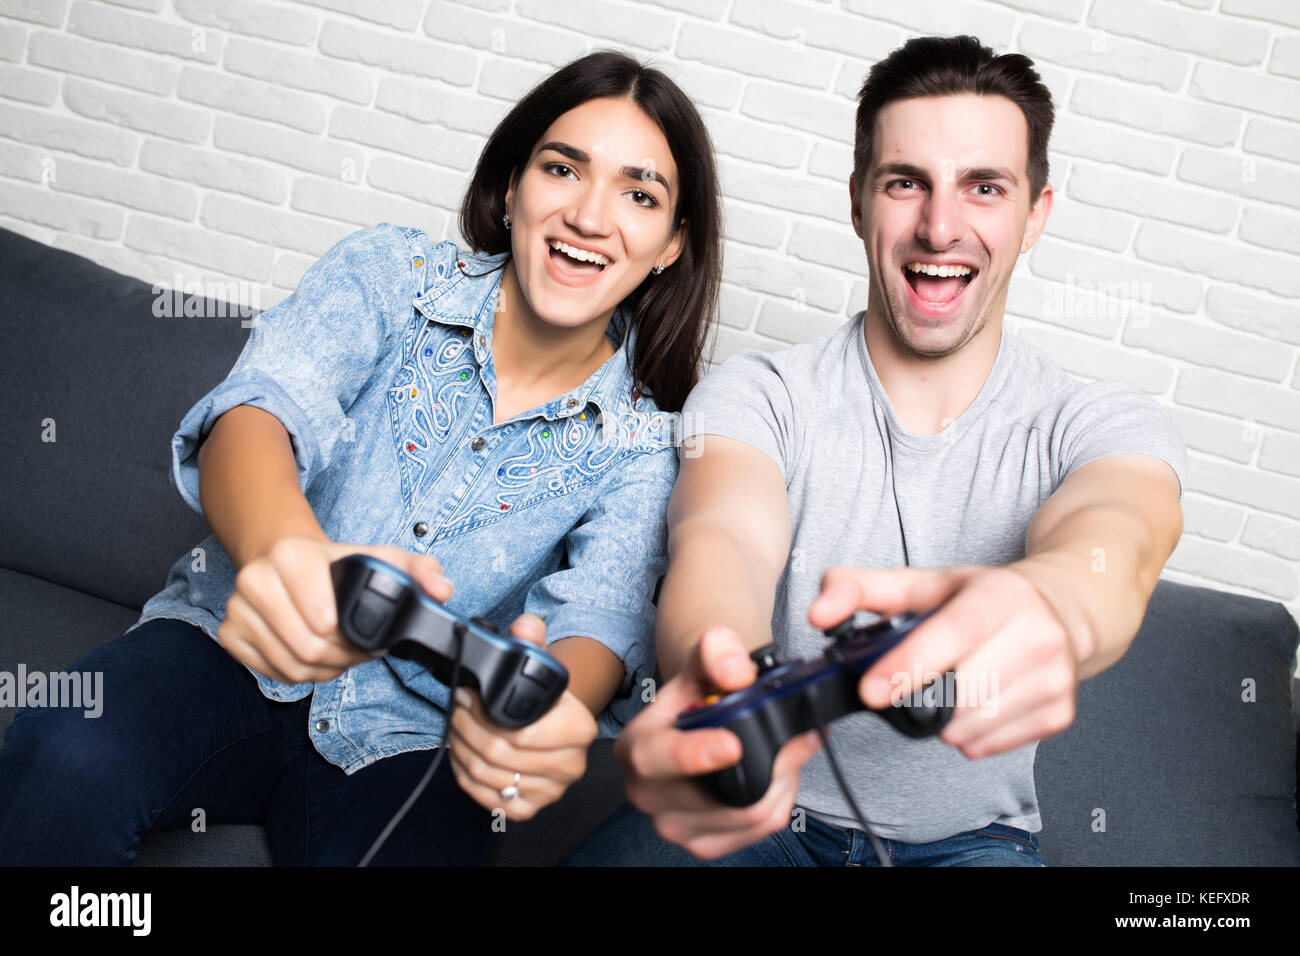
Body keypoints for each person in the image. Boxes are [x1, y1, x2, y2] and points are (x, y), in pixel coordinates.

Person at [0, 50, 722, 866]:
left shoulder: (642, 447)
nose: (591, 216)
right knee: (60, 759)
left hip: (412, 741)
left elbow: (597, 621)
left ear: (669, 244)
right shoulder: (389, 274)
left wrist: (547, 709)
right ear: (514, 185)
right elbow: (259, 413)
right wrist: (291, 559)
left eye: (639, 193)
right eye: (563, 169)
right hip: (222, 648)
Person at [567, 34, 1187, 867]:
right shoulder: (761, 394)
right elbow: (723, 541)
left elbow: (1120, 531)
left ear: (1036, 213)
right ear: (859, 202)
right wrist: (721, 684)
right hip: (757, 817)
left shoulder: (1097, 422)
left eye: (984, 187)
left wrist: (1060, 601)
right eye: (906, 183)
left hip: (973, 845)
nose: (940, 227)